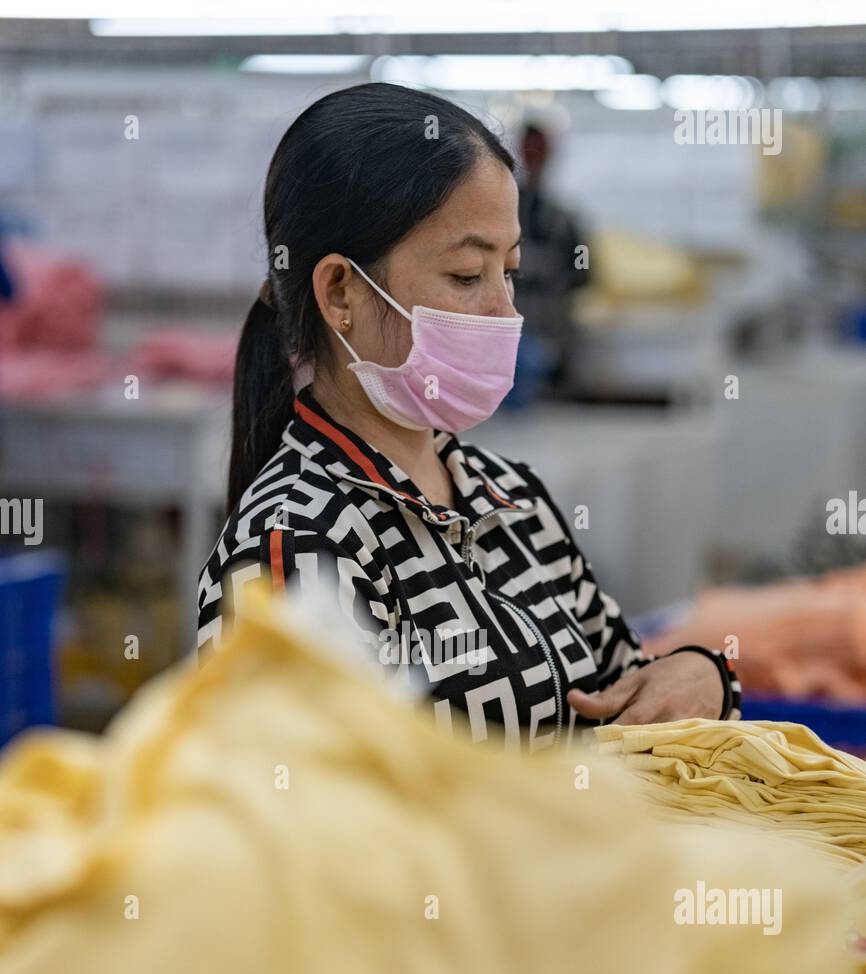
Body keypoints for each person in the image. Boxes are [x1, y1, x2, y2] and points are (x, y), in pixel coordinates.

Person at [198, 83, 739, 751]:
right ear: (341, 291)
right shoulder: (293, 547)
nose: (506, 312)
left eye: (508, 273)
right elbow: (316, 833)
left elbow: (623, 688)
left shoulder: (511, 499)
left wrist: (700, 675)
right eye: (465, 276)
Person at [514, 122, 589, 396]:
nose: (534, 161)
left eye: (538, 154)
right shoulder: (502, 210)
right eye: (529, 153)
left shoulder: (561, 219)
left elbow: (583, 272)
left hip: (548, 316)